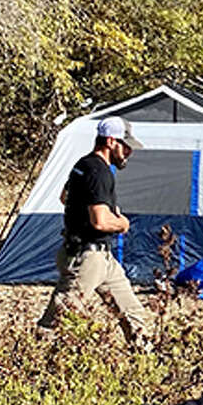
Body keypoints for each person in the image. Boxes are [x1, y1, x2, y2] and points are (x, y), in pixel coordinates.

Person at [38, 116, 151, 347]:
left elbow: (64, 198)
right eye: (126, 145)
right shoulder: (99, 172)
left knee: (132, 312)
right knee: (60, 318)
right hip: (87, 259)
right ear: (111, 142)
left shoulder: (83, 164)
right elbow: (99, 222)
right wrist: (122, 223)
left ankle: (146, 360)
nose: (129, 151)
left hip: (101, 256)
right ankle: (29, 362)